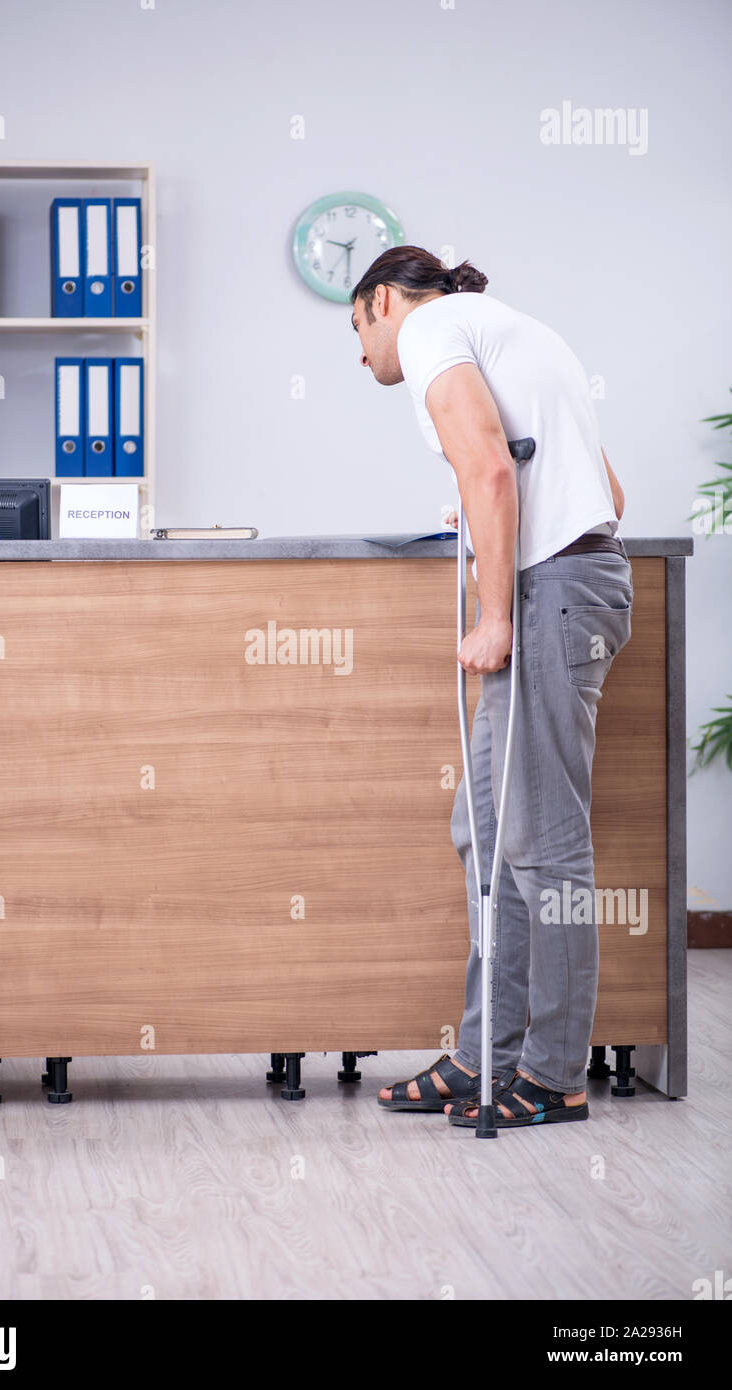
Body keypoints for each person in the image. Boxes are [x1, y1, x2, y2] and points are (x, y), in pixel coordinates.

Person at [350, 246, 633, 1129]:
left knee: (544, 849)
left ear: (385, 301)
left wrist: (497, 613)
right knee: (484, 834)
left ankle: (553, 1077)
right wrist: (484, 520)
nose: (361, 355)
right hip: (568, 584)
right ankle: (486, 1055)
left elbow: (491, 470)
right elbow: (606, 492)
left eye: (357, 329)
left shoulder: (434, 329)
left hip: (551, 601)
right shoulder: (511, 331)